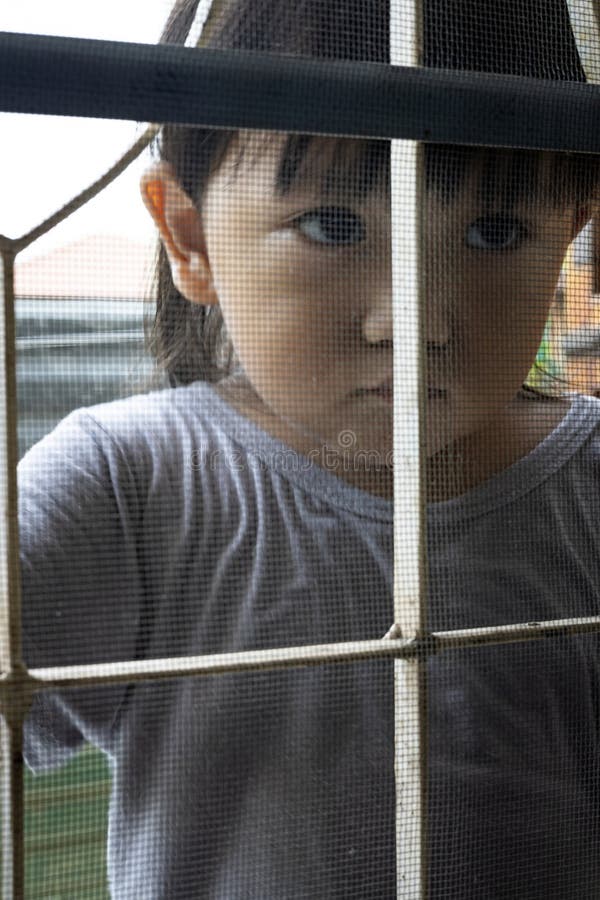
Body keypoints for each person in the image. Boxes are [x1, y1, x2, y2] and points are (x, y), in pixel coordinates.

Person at [19, 0, 600, 897]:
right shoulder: (123, 485)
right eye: (335, 225)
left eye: (494, 232)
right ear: (190, 235)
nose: (412, 321)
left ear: (568, 233)